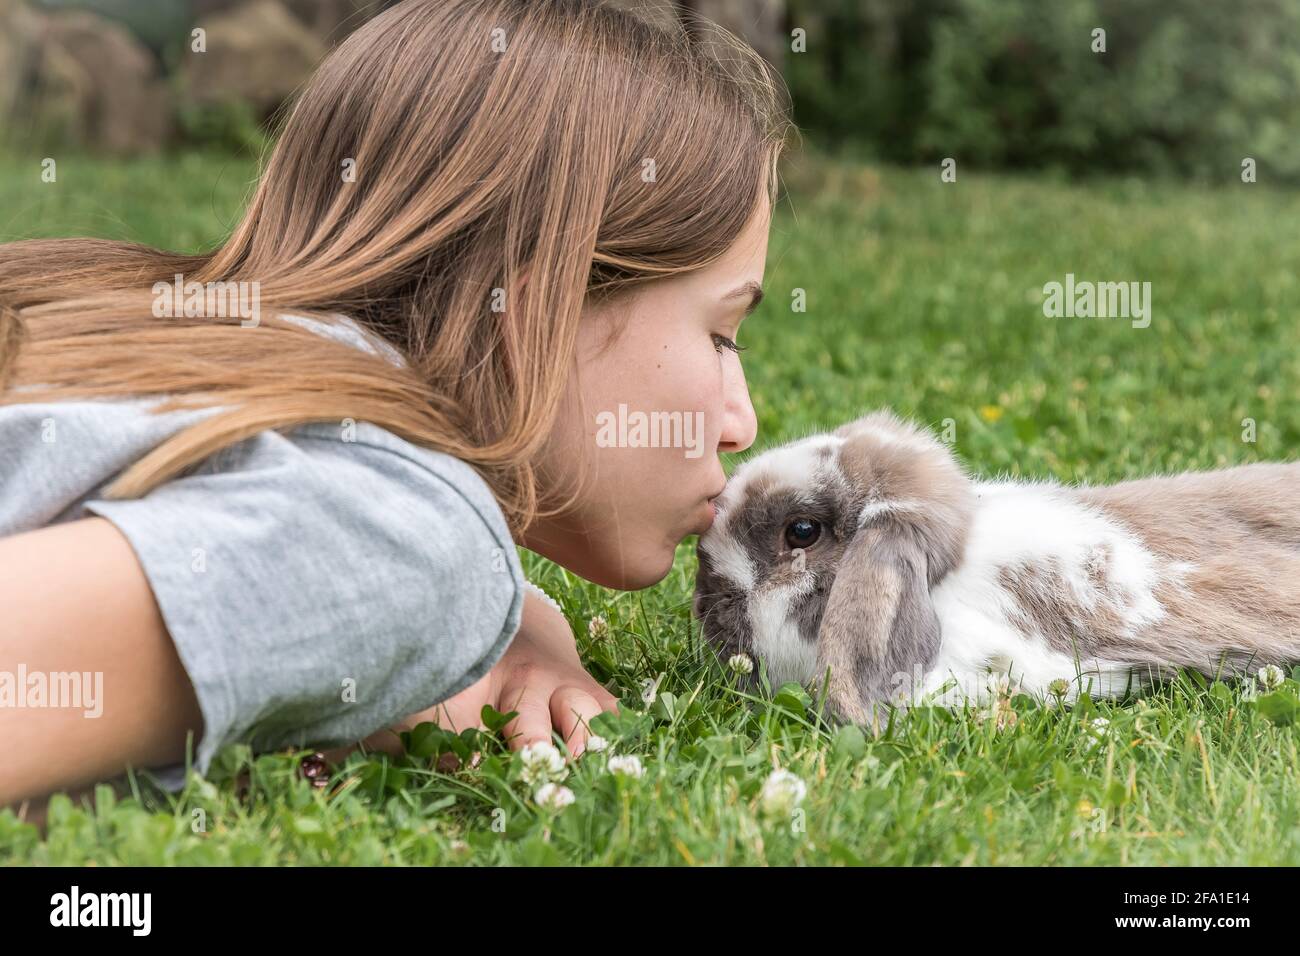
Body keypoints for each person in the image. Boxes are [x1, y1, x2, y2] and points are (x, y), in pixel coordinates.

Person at [0, 0, 789, 810]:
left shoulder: (167, 325)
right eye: (722, 335)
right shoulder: (403, 537)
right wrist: (433, 599)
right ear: (534, 316)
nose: (741, 423)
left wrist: (504, 622)